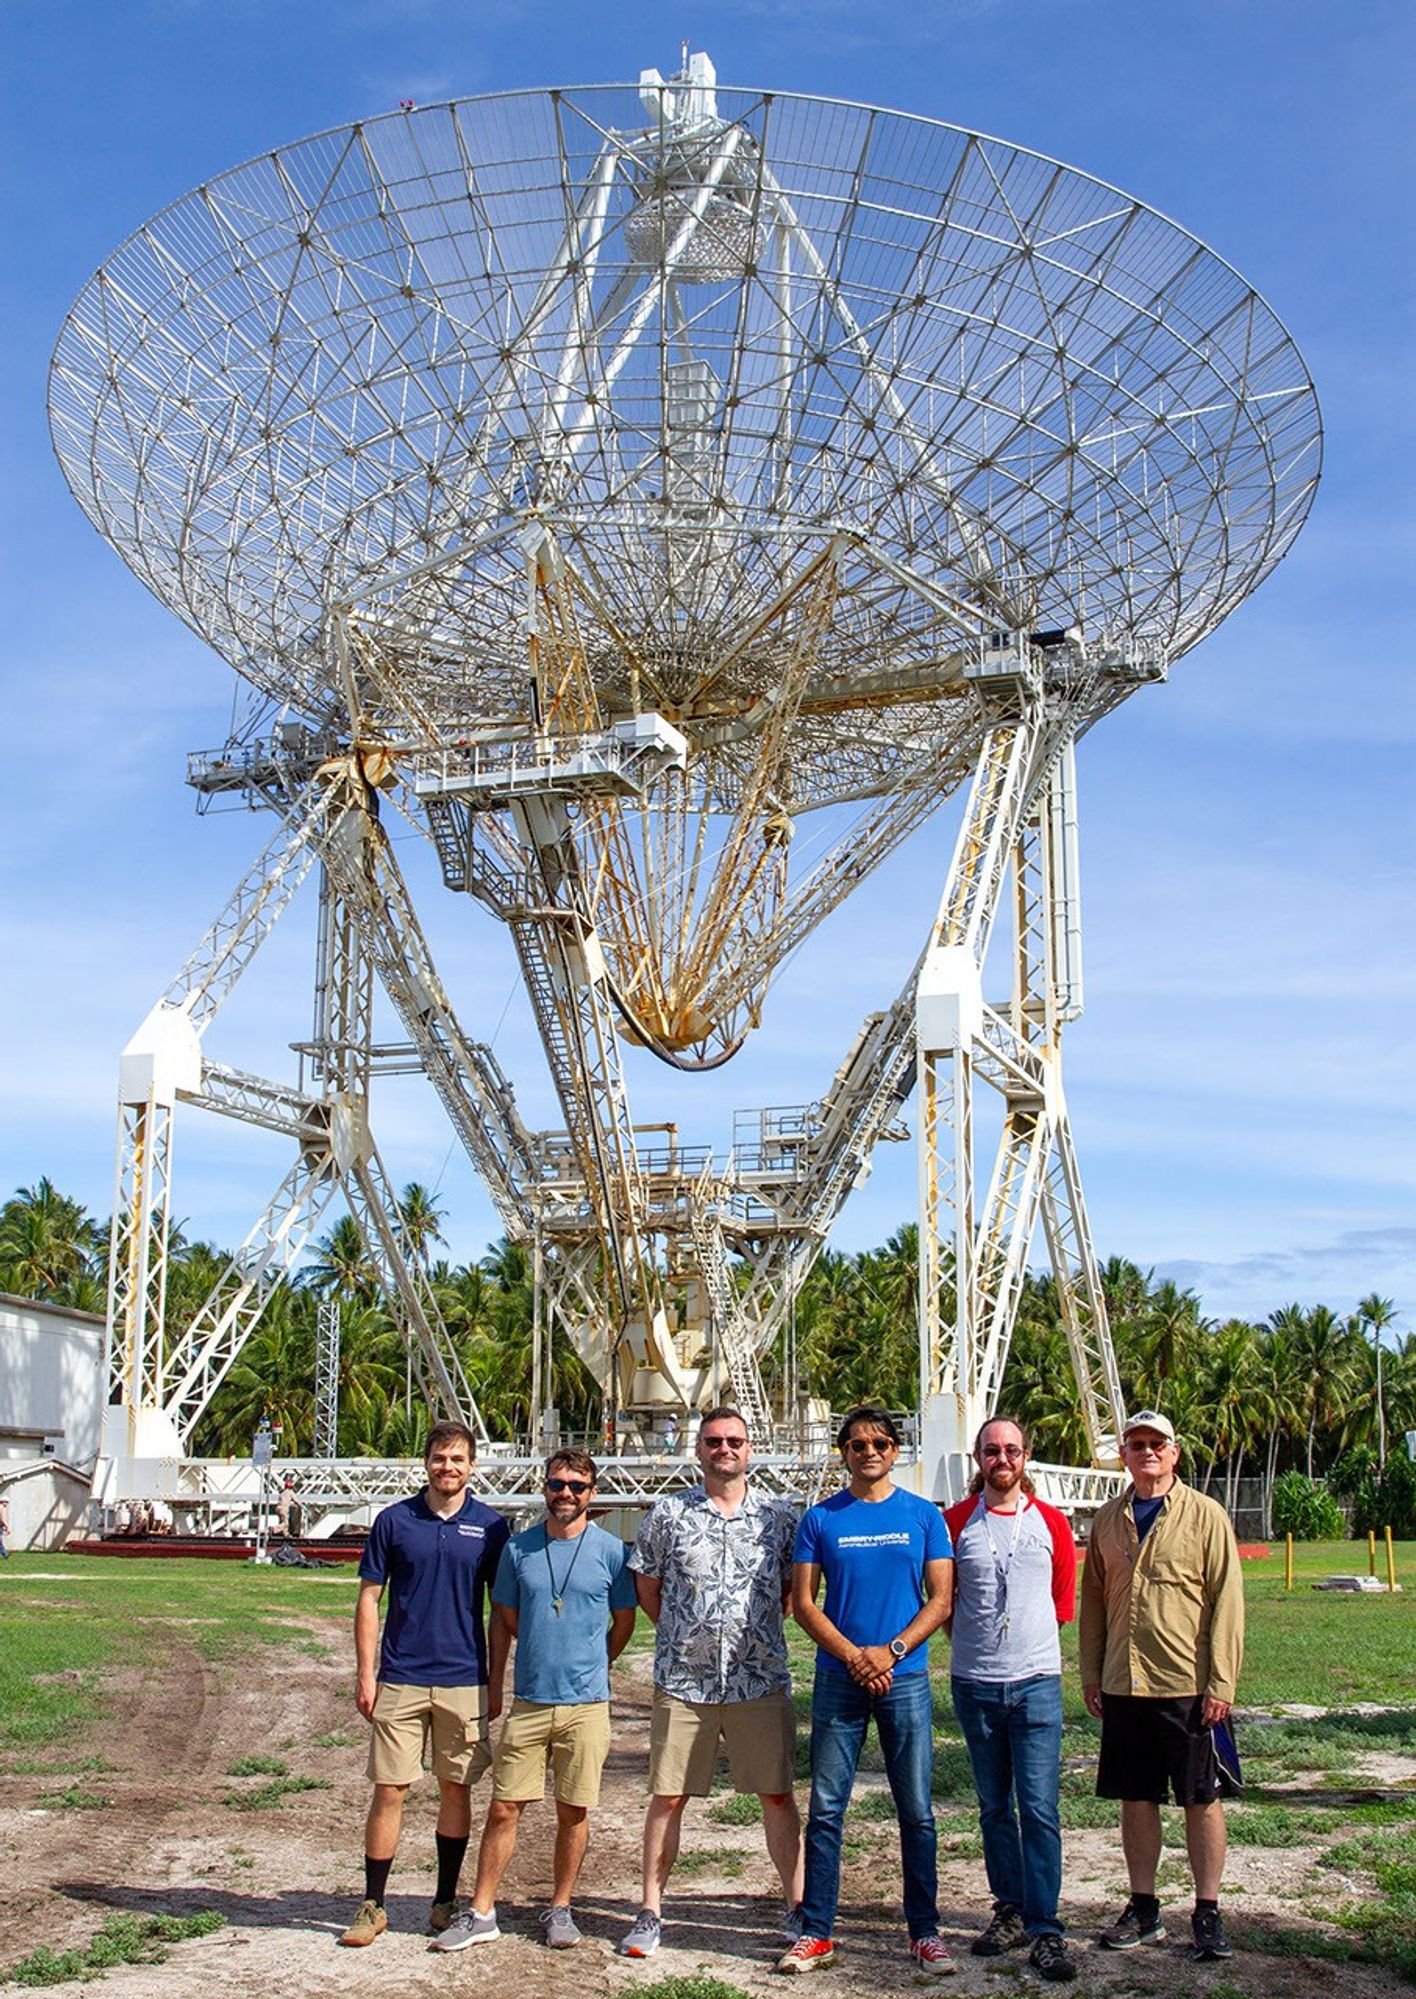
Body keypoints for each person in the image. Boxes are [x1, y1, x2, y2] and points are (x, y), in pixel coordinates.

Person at [619, 1406, 802, 1960]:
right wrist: (687, 1633)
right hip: (684, 1682)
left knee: (777, 1795)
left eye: (735, 1441)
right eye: (715, 1441)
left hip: (759, 1680)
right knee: (667, 1797)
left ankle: (798, 1908)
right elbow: (647, 1586)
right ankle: (650, 1910)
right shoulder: (667, 1515)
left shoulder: (780, 1518)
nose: (725, 1449)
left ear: (750, 1449)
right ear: (698, 1450)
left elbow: (794, 1591)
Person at [434, 1450, 637, 1951]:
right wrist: (498, 1683)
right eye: (557, 1484)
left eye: (577, 1486)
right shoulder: (518, 1550)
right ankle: (481, 1911)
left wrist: (594, 1663)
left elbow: (625, 1622)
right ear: (544, 1489)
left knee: (574, 1811)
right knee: (505, 1808)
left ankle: (561, 1907)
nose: (566, 1493)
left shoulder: (611, 1551)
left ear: (592, 1493)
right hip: (530, 1702)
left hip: (587, 1705)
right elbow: (504, 1617)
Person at [781, 1405, 954, 1976]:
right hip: (840, 1680)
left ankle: (925, 1932)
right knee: (827, 1810)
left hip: (903, 1680)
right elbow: (805, 1603)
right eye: (858, 1445)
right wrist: (856, 1656)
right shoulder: (820, 1519)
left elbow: (940, 1599)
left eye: (880, 1442)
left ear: (896, 1449)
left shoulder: (925, 1515)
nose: (870, 1451)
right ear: (844, 1453)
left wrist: (892, 1652)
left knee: (917, 1811)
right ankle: (817, 1932)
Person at [1079, 1409, 1244, 1963]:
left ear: (1174, 1452)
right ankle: (1144, 1908)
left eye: (1157, 1443)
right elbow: (1095, 1603)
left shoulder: (1206, 1515)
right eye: (1136, 1443)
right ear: (1122, 1454)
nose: (1147, 1451)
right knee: (1137, 1798)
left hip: (1187, 1685)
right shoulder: (1106, 1519)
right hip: (1125, 1682)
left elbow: (1227, 1602)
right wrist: (1092, 1672)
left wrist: (1221, 1680)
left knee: (1201, 1798)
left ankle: (1207, 1911)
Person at [340, 1420, 509, 1948]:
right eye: (440, 1458)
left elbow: (499, 1614)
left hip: (463, 1678)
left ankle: (444, 1901)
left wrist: (495, 1680)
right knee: (390, 1789)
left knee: (456, 1788)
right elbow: (369, 1598)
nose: (448, 1467)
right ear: (426, 1463)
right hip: (402, 1676)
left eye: (458, 1459)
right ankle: (373, 1903)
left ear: (472, 1465)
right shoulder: (394, 1522)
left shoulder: (491, 1527)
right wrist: (366, 1673)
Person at [943, 1417, 1077, 1983]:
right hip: (976, 1683)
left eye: (1012, 1450)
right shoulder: (952, 1524)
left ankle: (1046, 1928)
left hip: (1037, 1682)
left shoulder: (1052, 1524)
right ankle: (1010, 1908)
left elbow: (1061, 1604)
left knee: (1040, 1809)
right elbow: (943, 1602)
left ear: (1026, 1458)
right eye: (992, 1450)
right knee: (995, 1806)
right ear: (977, 1457)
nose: (1003, 1459)